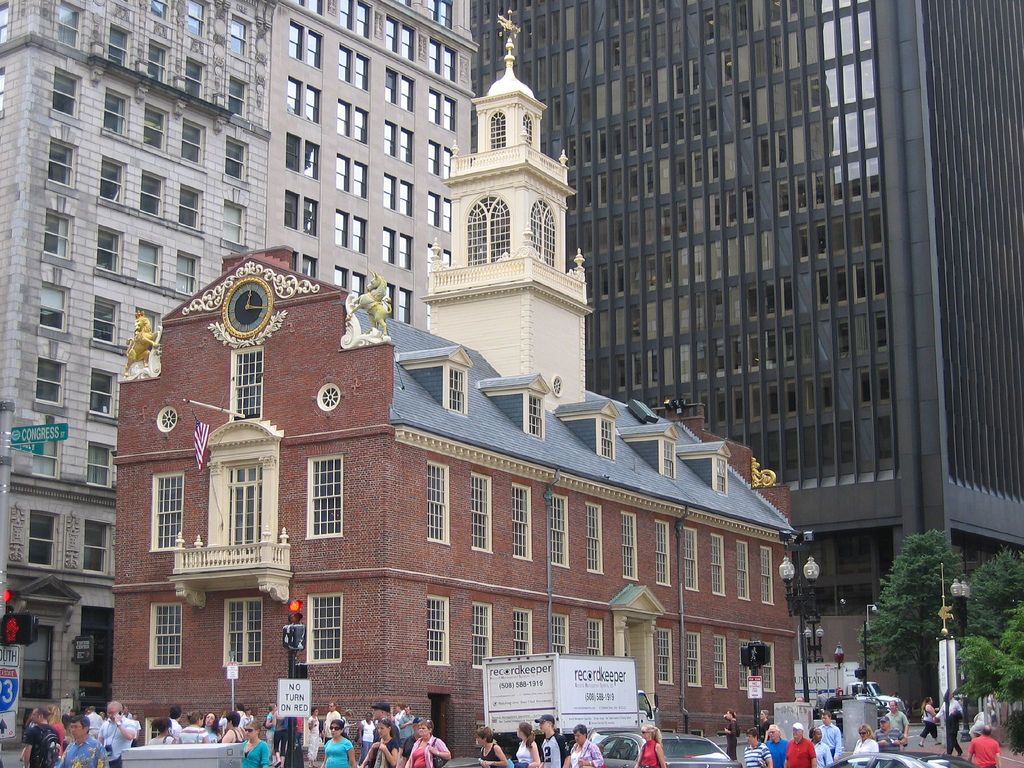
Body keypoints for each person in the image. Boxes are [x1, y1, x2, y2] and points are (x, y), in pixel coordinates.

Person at [99, 701, 139, 768]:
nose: (110, 715)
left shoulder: (129, 723)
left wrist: (119, 724)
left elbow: (130, 736)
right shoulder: (105, 724)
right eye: (108, 713)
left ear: (120, 712)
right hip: (106, 759)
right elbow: (100, 739)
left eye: (112, 713)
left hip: (121, 759)